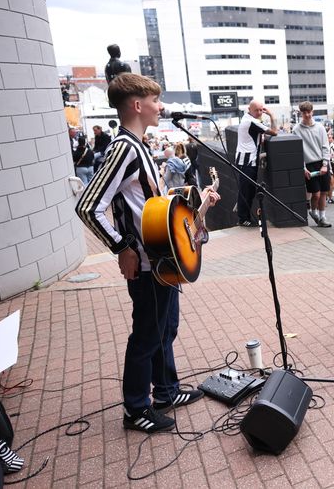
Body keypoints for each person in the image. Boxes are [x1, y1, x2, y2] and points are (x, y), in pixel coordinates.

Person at [75, 73, 220, 433]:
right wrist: (121, 247)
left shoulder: (139, 146)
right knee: (145, 337)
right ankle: (136, 409)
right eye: (155, 100)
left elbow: (150, 208)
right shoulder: (124, 148)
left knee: (164, 329)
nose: (161, 106)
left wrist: (194, 212)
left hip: (160, 259)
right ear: (137, 105)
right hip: (144, 264)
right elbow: (89, 205)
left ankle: (166, 392)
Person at [234, 100, 277, 227]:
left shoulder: (248, 118)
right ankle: (243, 219)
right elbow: (274, 132)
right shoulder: (251, 122)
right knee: (246, 191)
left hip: (246, 161)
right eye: (256, 110)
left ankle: (244, 217)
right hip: (247, 162)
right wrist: (271, 115)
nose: (259, 113)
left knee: (249, 190)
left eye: (261, 110)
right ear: (249, 109)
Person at [294, 101, 332, 228]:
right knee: (315, 193)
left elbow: (325, 146)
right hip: (309, 164)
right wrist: (303, 168)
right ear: (301, 113)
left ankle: (322, 217)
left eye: (309, 112)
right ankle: (313, 212)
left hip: (322, 162)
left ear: (312, 112)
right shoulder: (296, 130)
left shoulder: (320, 127)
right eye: (304, 113)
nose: (307, 115)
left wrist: (325, 164)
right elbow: (297, 151)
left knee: (324, 192)